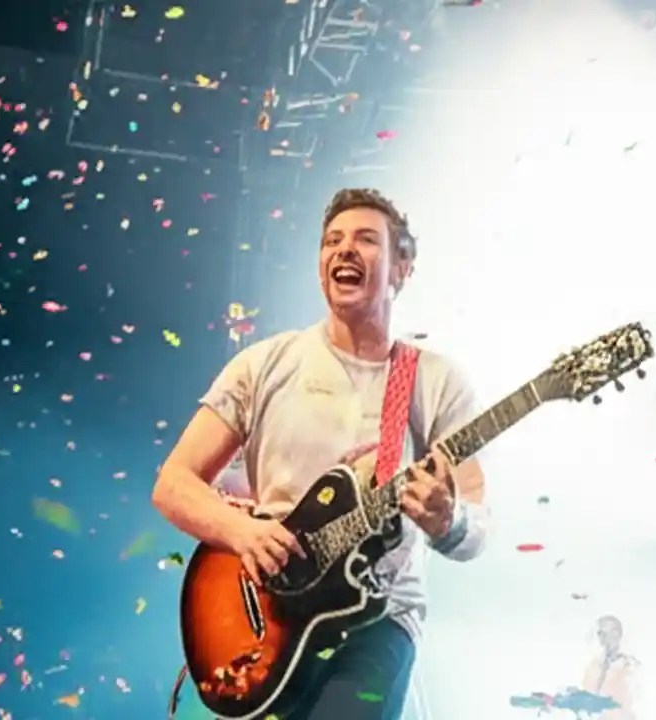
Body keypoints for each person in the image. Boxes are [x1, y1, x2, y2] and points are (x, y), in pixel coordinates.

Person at [152, 188, 490, 720]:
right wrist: (241, 532)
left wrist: (448, 521)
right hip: (268, 616)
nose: (344, 250)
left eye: (365, 239)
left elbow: (477, 526)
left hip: (376, 621)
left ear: (403, 267)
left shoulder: (432, 380)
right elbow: (173, 483)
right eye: (332, 241)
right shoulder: (264, 364)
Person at [579, 615, 640, 720]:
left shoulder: (631, 666)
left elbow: (637, 702)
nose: (604, 639)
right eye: (600, 634)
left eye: (610, 633)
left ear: (618, 635)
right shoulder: (593, 665)